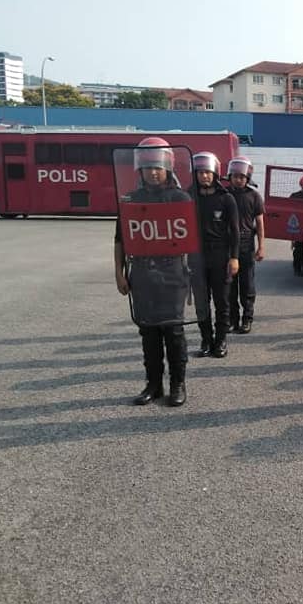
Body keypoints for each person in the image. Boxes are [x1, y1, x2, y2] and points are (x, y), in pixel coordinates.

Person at [114, 137, 193, 407]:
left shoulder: (181, 199)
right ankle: (153, 384)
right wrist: (119, 273)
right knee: (148, 332)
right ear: (140, 170)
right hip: (142, 274)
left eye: (158, 167)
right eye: (148, 168)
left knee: (173, 332)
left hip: (173, 274)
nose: (153, 172)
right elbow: (120, 240)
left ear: (168, 168)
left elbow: (193, 242)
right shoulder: (131, 200)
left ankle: (178, 384)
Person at [190, 152, 240, 358]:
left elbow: (235, 230)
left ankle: (220, 341)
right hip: (196, 256)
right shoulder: (188, 197)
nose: (204, 176)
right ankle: (206, 340)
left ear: (215, 173)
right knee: (201, 302)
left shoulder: (226, 198)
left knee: (222, 301)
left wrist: (234, 257)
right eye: (200, 172)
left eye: (208, 172)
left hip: (220, 255)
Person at [226, 156, 265, 333]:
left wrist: (261, 246)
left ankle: (246, 318)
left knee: (247, 285)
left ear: (247, 178)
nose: (238, 179)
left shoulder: (254, 196)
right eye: (235, 176)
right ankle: (232, 319)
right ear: (230, 176)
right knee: (229, 286)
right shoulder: (224, 195)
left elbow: (260, 223)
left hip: (246, 244)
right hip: (227, 247)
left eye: (242, 177)